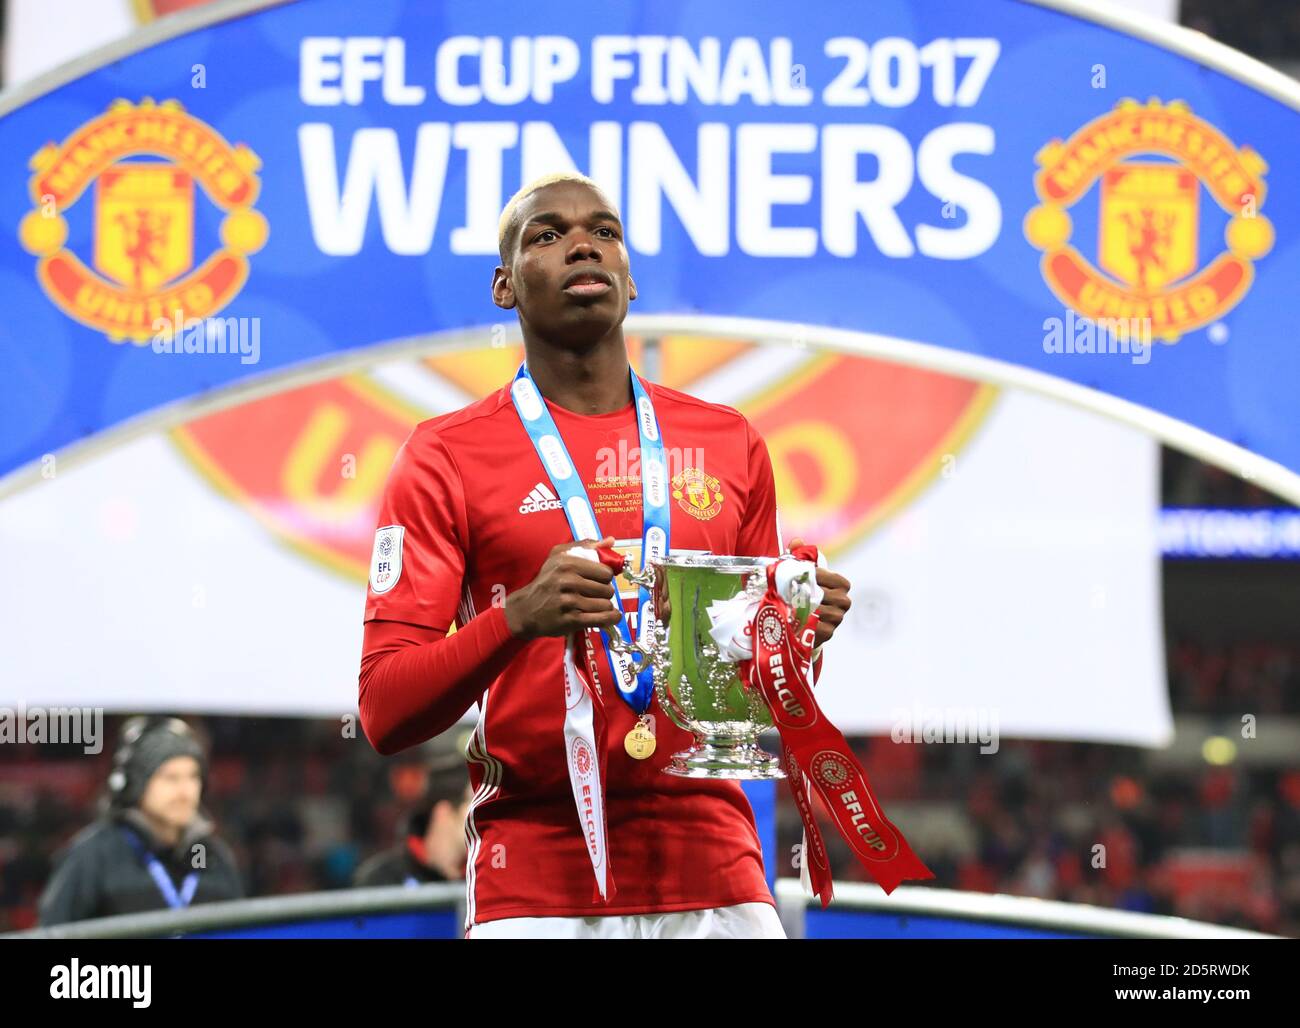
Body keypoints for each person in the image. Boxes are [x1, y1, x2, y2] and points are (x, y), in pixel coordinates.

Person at [357, 172, 852, 939]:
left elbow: (751, 692)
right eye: (546, 235)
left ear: (629, 275)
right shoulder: (445, 456)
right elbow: (385, 710)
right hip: (536, 882)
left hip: (716, 874)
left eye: (604, 232)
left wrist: (793, 639)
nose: (582, 242)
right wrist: (517, 617)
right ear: (504, 286)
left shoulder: (728, 442)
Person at [38, 716, 244, 926]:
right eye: (170, 778)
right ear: (137, 783)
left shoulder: (215, 857)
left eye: (193, 777)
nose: (185, 791)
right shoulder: (92, 856)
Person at [353, 752, 474, 887]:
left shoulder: (487, 879)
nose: (488, 810)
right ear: (444, 812)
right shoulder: (381, 881)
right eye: (476, 802)